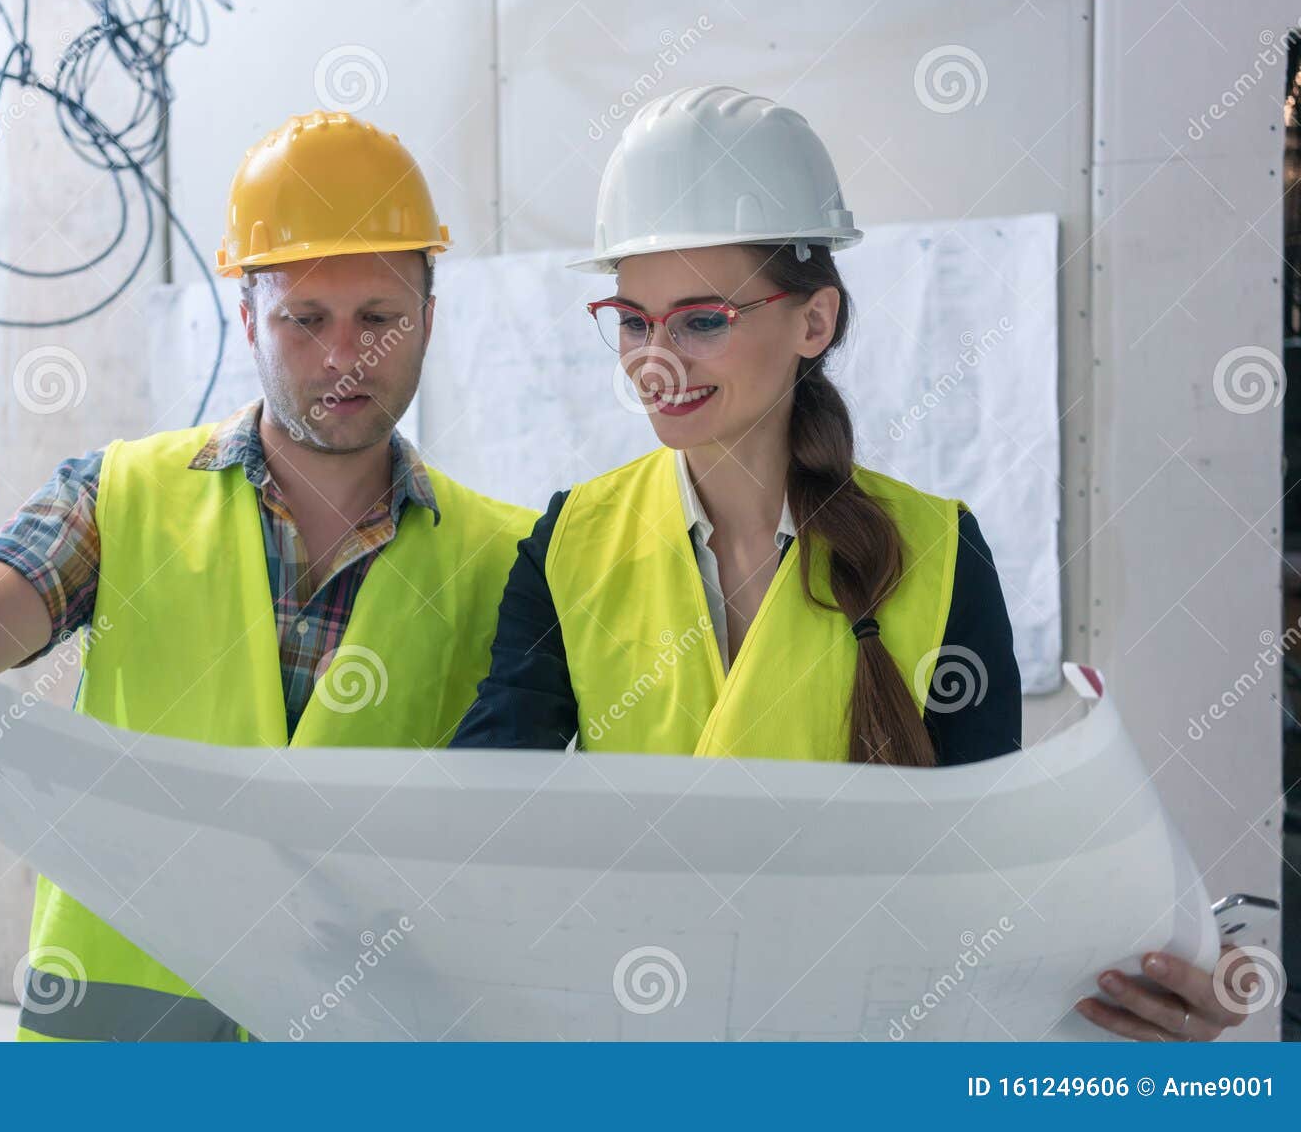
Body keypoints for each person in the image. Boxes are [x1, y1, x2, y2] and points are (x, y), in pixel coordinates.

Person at [451, 84, 1250, 1040]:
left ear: (814, 322)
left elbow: (989, 873)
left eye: (701, 319)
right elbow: (481, 817)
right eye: (632, 319)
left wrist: (1156, 971)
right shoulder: (571, 542)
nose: (653, 360)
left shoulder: (940, 553)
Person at [0, 110, 535, 1041]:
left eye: (380, 319)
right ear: (247, 315)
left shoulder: (511, 560)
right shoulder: (120, 497)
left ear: (430, 318)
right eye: (304, 319)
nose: (340, 357)